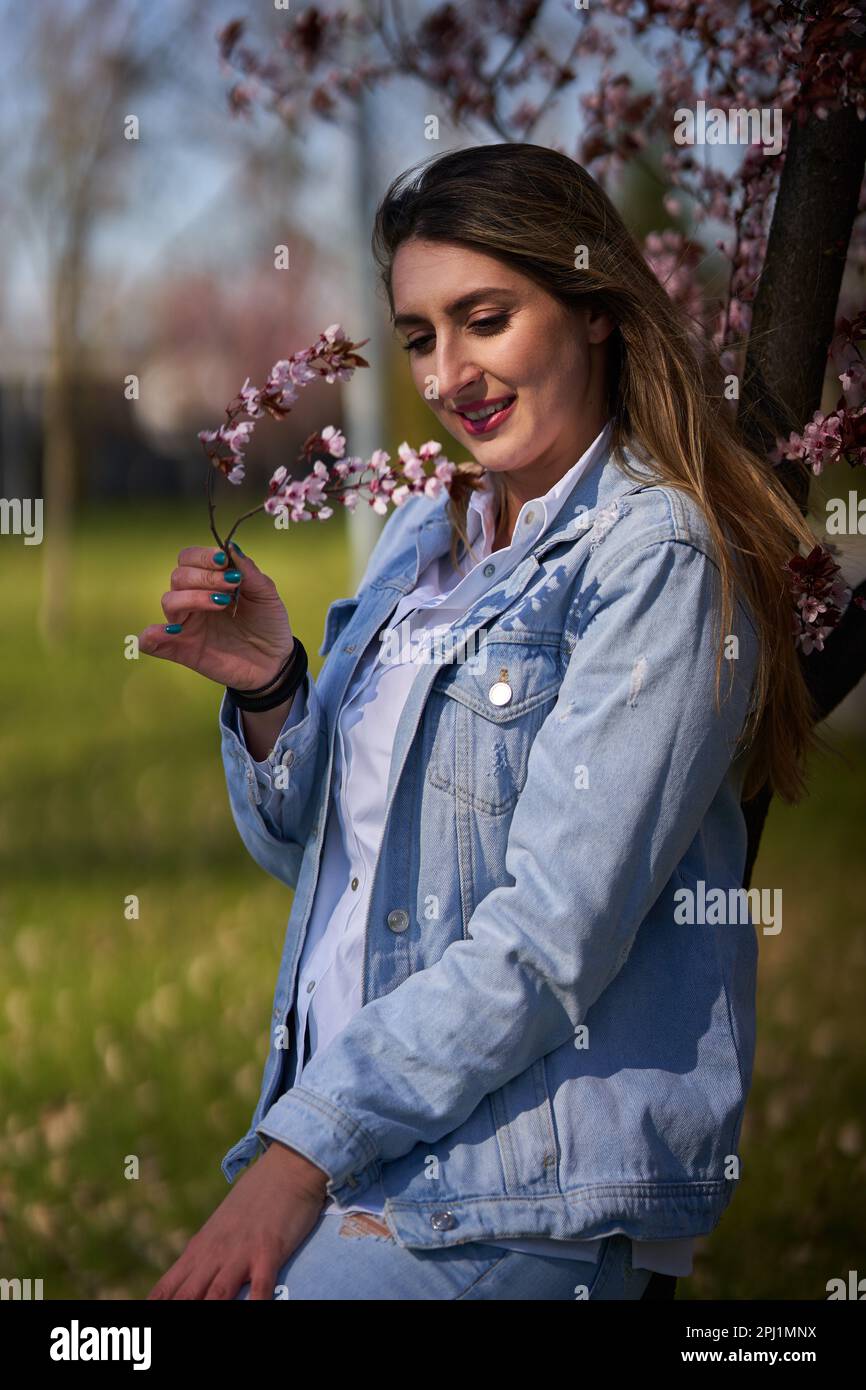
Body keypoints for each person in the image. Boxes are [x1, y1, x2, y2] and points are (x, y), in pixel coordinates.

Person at [140, 143, 819, 1300]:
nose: (447, 373)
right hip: (380, 1158)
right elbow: (315, 857)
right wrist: (267, 690)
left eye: (484, 319)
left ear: (593, 309)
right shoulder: (428, 538)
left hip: (521, 1195)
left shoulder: (651, 558)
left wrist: (297, 1155)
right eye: (418, 336)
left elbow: (552, 932)